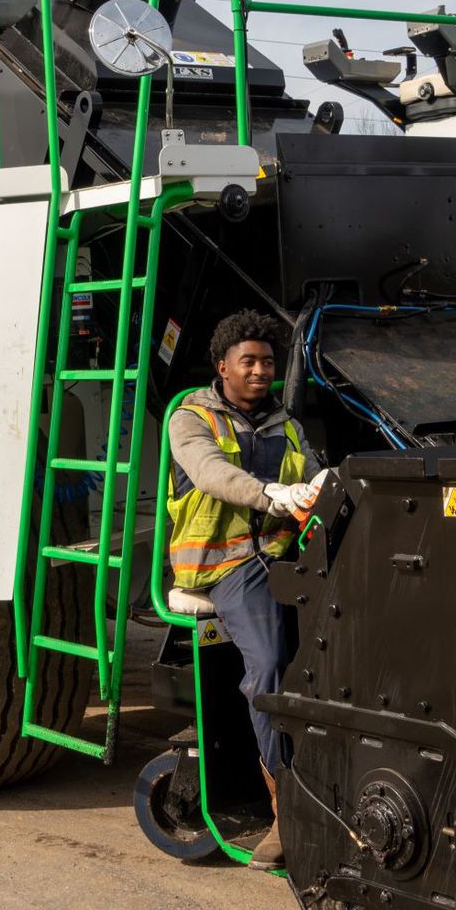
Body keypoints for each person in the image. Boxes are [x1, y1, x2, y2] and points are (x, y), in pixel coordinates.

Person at [165, 309, 321, 871]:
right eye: (248, 362)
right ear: (222, 366)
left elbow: (315, 471)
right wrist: (271, 494)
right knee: (271, 665)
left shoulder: (287, 424)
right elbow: (210, 474)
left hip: (282, 557)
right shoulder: (191, 420)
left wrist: (323, 483)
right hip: (226, 567)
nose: (260, 372)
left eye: (268, 362)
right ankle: (285, 812)